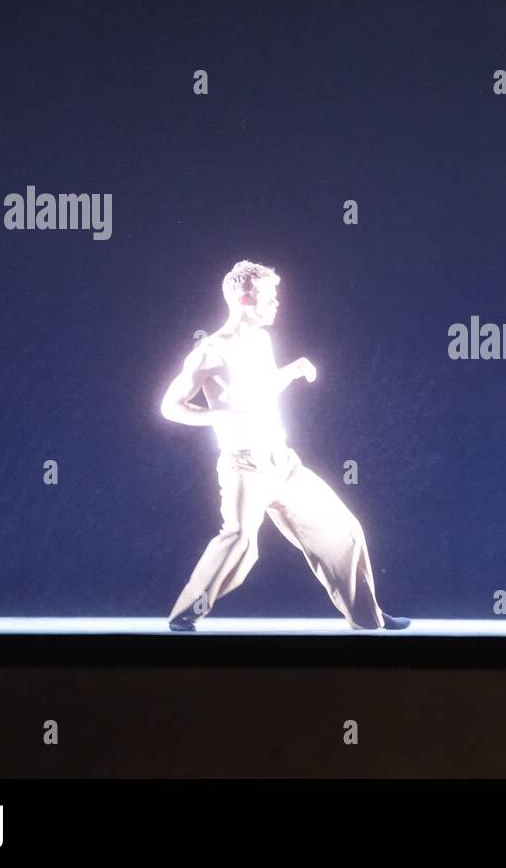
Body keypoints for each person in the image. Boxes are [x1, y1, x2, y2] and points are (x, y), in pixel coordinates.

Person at [160, 260, 409, 631]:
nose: (277, 302)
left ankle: (368, 619)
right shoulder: (210, 351)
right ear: (244, 298)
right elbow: (170, 406)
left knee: (343, 530)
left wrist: (290, 373)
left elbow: (256, 392)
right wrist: (218, 416)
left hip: (284, 463)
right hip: (245, 464)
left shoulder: (262, 340)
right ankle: (184, 616)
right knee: (241, 541)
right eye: (269, 296)